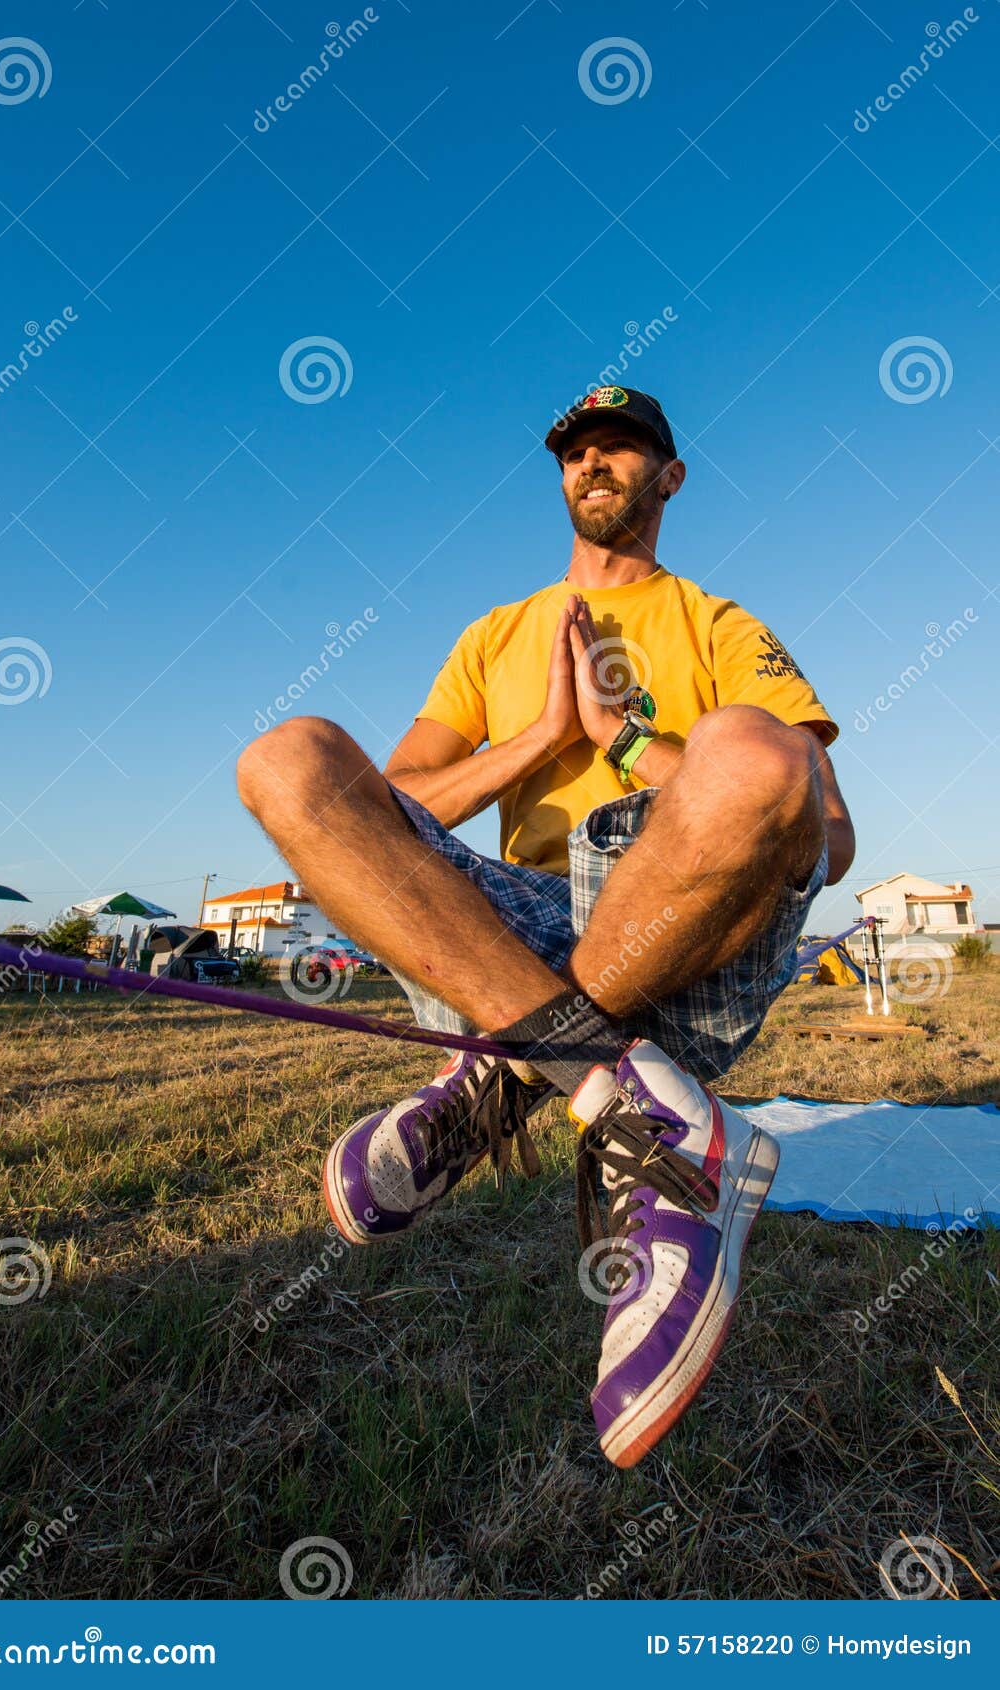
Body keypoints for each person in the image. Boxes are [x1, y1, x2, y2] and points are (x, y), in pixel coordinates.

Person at [236, 385, 855, 1468]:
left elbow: (826, 832)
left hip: (675, 929)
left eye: (622, 446)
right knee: (286, 762)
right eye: (575, 449)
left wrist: (619, 742)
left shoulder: (718, 623)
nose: (594, 462)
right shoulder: (499, 634)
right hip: (505, 925)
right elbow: (396, 801)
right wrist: (539, 738)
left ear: (670, 474)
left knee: (757, 752)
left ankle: (504, 1073)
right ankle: (649, 1110)